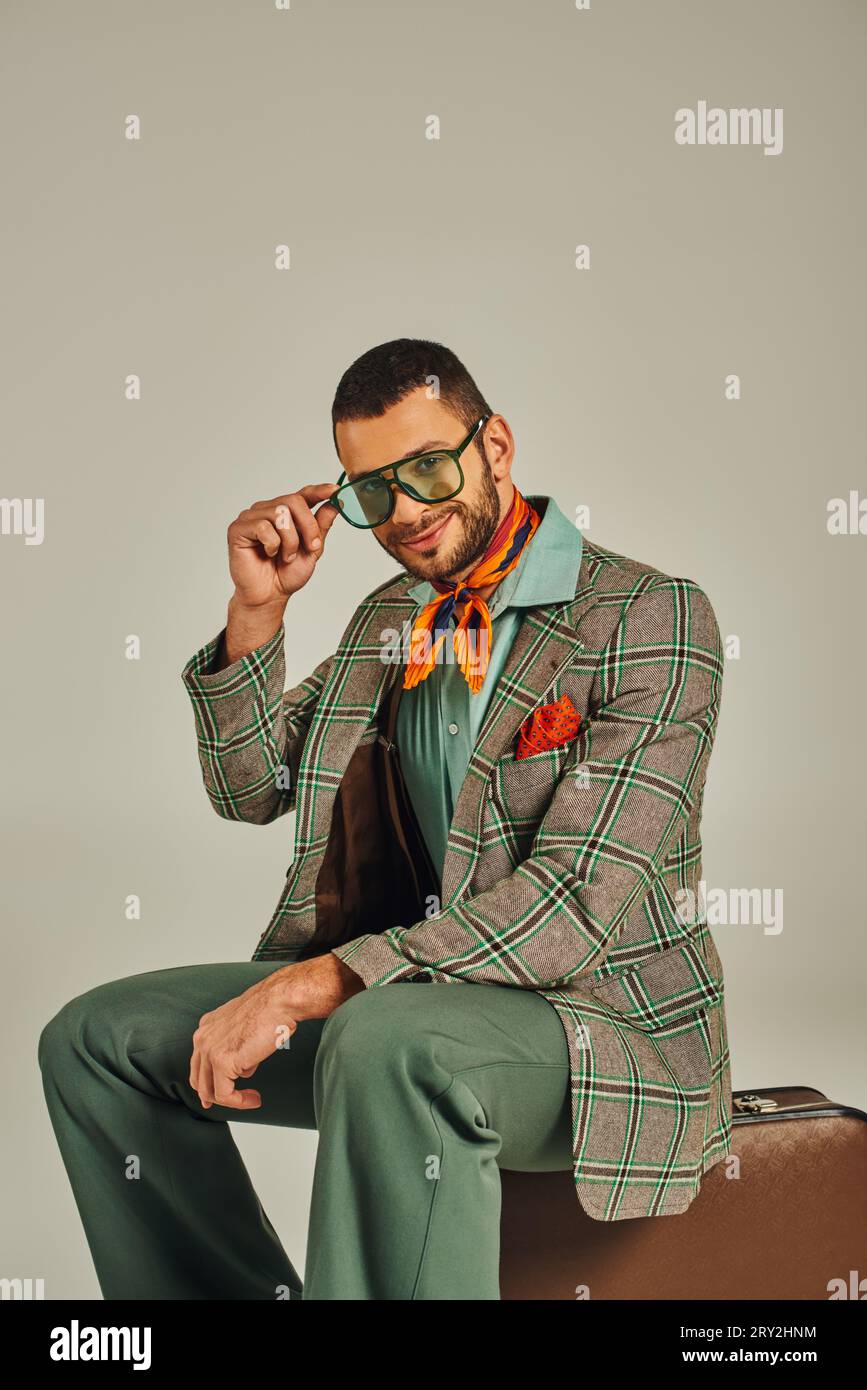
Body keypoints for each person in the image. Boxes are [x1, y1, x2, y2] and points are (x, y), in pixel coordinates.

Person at [38, 338, 732, 1301]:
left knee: (384, 1042)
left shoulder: (649, 616)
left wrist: (312, 985)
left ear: (495, 446)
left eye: (427, 468)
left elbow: (576, 904)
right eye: (371, 489)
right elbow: (251, 788)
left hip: (595, 1032)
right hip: (404, 1000)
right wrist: (257, 616)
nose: (404, 511)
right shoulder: (391, 618)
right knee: (98, 1038)